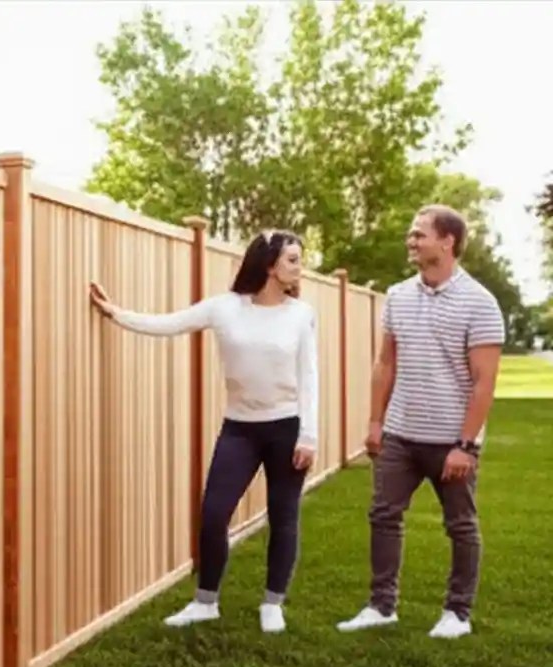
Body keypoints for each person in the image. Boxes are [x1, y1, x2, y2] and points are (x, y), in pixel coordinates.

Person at [89, 229, 318, 634]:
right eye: (293, 260)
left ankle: (272, 604)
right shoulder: (224, 308)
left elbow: (309, 376)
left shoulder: (301, 314)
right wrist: (115, 313)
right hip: (239, 430)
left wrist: (309, 436)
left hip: (286, 428)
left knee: (284, 517)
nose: (300, 268)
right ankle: (205, 601)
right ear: (268, 264)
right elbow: (168, 324)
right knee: (213, 515)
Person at [337, 205, 504, 639]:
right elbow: (385, 364)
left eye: (419, 235)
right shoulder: (397, 295)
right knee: (383, 515)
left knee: (461, 525)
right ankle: (381, 606)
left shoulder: (480, 303)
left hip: (451, 441)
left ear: (447, 241)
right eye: (411, 236)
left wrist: (465, 445)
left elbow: (484, 384)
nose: (411, 242)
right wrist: (376, 422)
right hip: (400, 436)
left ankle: (457, 614)